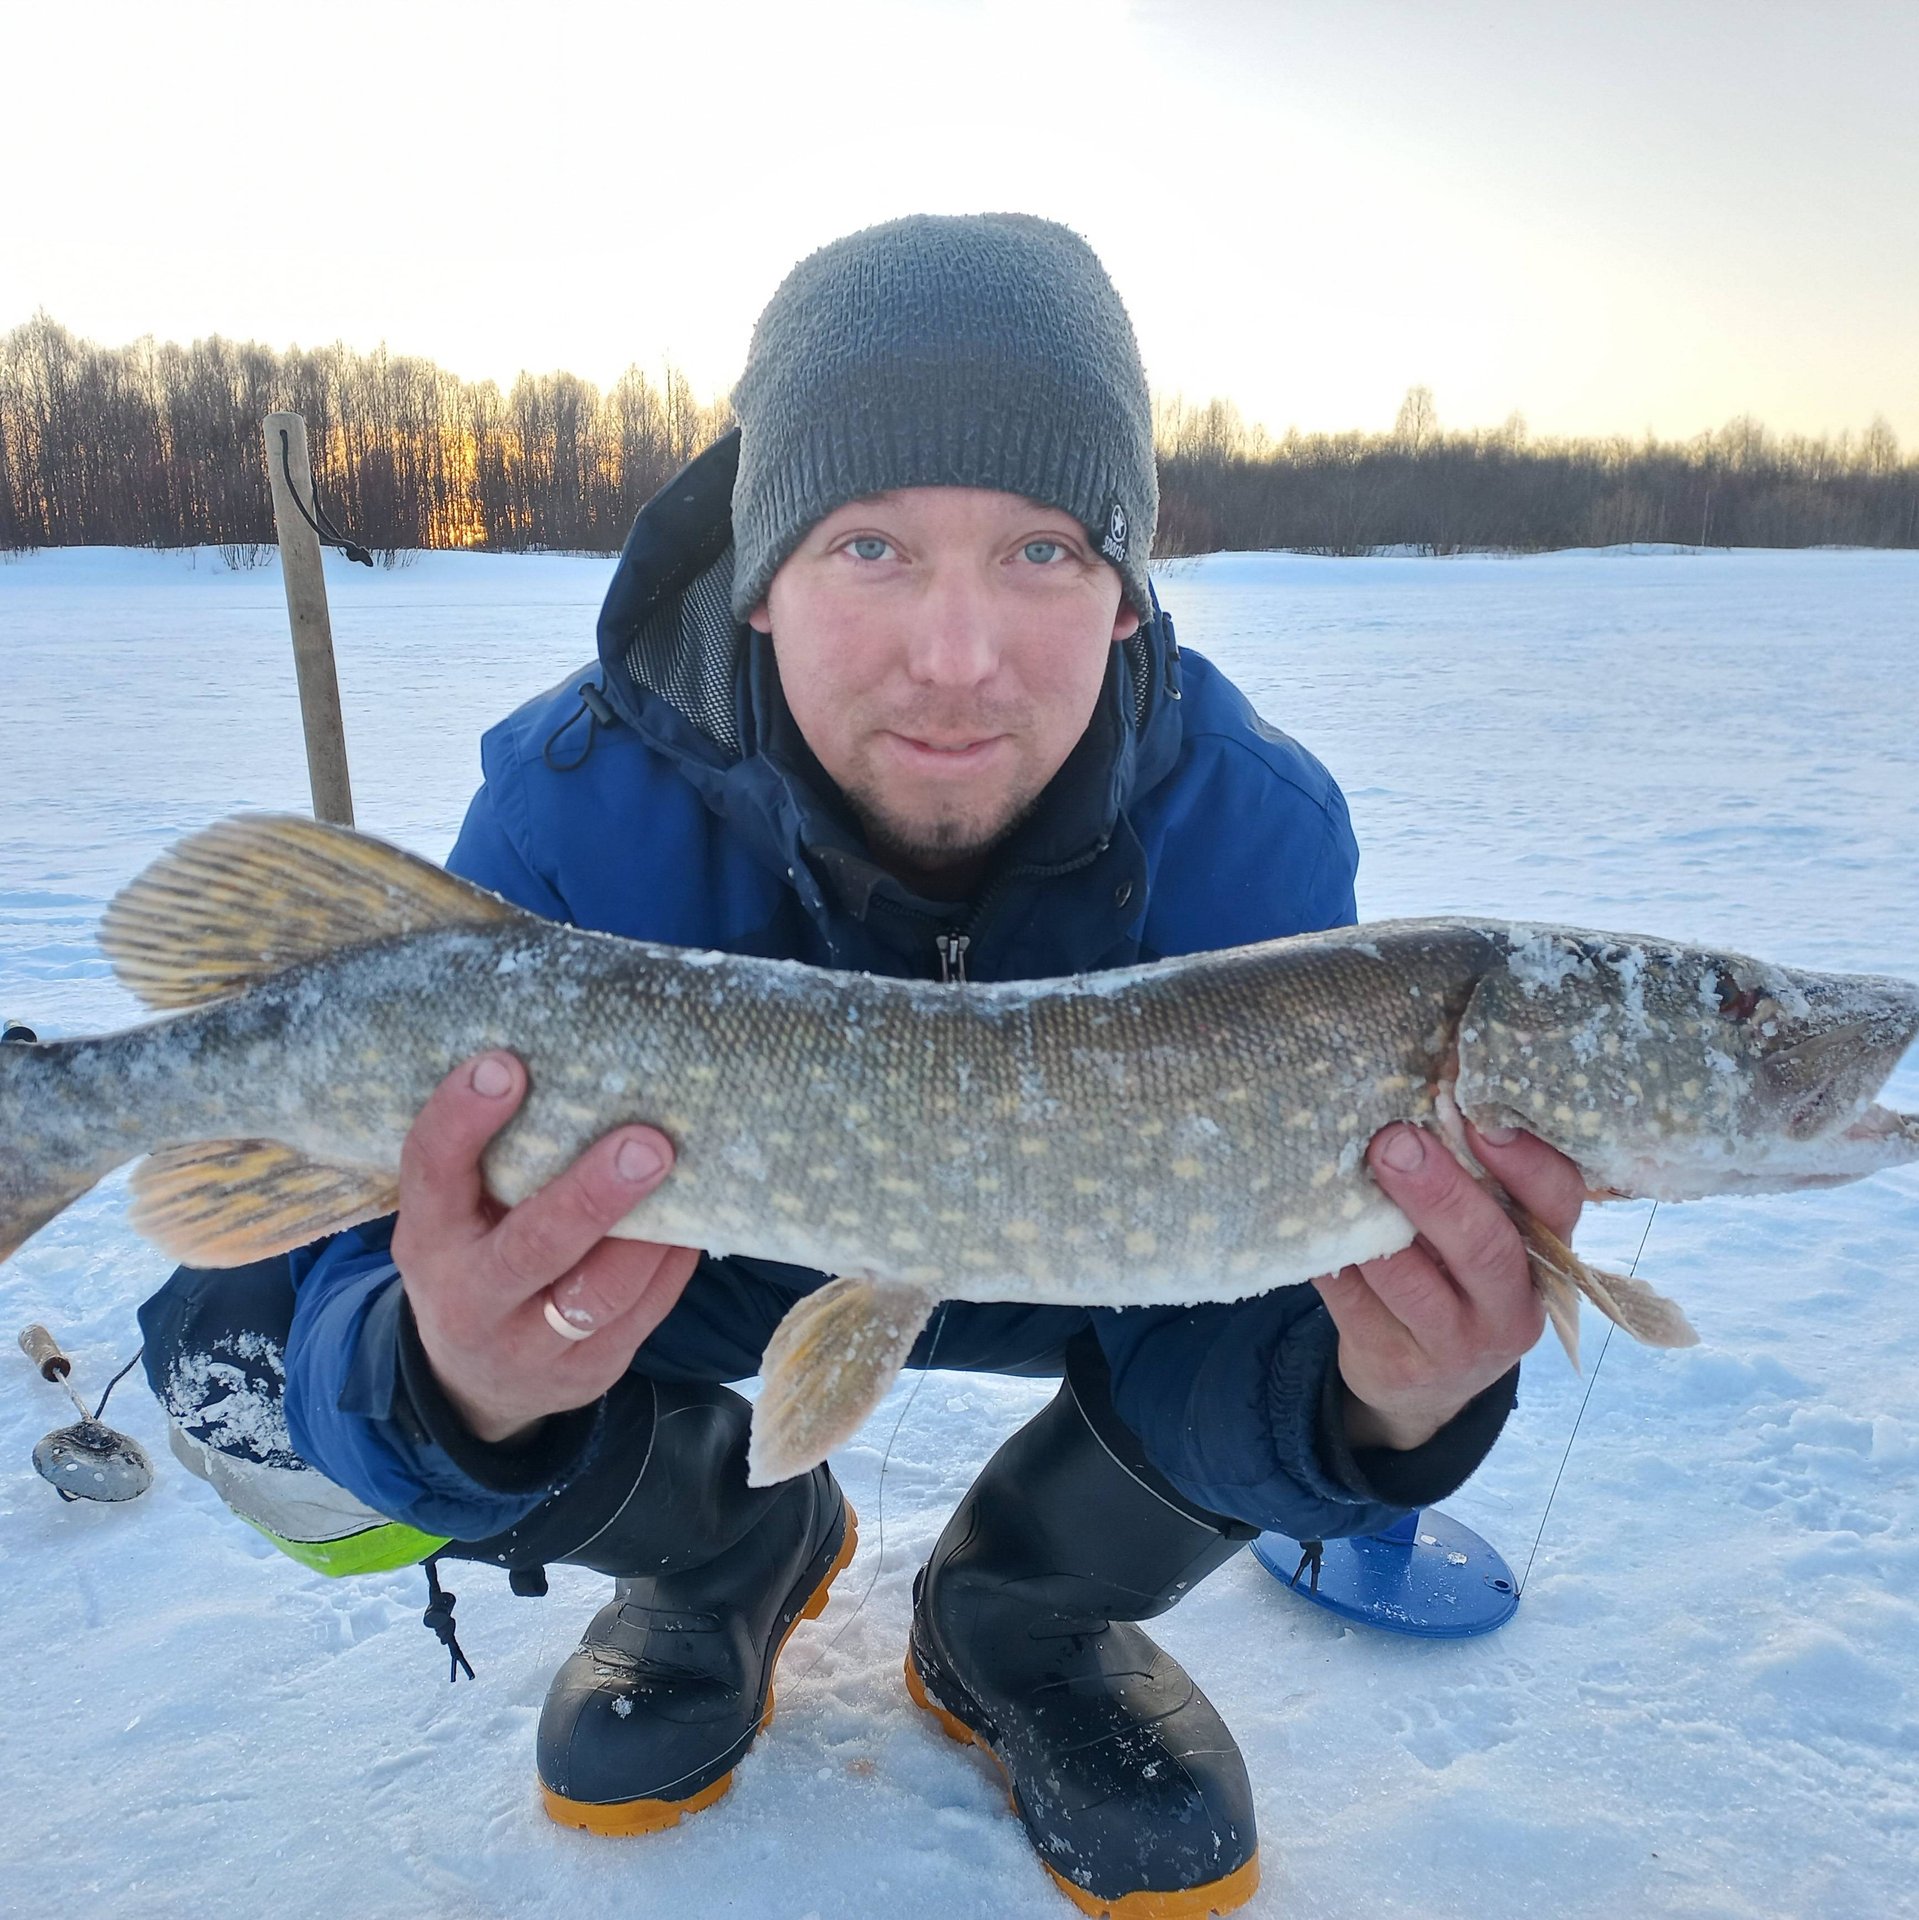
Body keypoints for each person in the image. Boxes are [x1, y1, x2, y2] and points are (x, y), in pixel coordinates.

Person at [140, 213, 1572, 1918]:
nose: (955, 658)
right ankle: (724, 1548)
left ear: (1125, 594)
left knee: (1306, 1280)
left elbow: (1281, 1321)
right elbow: (347, 1288)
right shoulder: (572, 809)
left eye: (1042, 551)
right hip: (697, 1263)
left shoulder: (1252, 832)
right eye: (871, 546)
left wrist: (1385, 1409)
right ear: (760, 575)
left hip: (1093, 1264)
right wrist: (462, 1384)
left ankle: (1026, 1606)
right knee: (248, 1355)